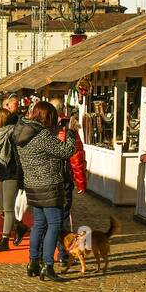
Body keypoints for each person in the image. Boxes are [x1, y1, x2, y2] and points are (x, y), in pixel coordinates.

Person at [13, 101, 75, 280]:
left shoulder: (22, 132)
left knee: (39, 225)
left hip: (32, 184)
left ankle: (33, 262)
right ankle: (48, 265)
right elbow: (66, 151)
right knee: (54, 225)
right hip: (48, 185)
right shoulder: (42, 136)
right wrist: (70, 132)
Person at [0, 106, 27, 252]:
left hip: (11, 173)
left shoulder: (13, 133)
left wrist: (21, 177)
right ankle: (19, 226)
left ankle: (4, 240)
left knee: (8, 208)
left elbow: (19, 156)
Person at [50, 96, 87, 266]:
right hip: (61, 179)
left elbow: (76, 156)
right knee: (61, 217)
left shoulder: (46, 127)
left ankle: (54, 253)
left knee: (52, 217)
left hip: (52, 179)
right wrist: (81, 182)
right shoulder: (66, 128)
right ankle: (62, 253)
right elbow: (77, 157)